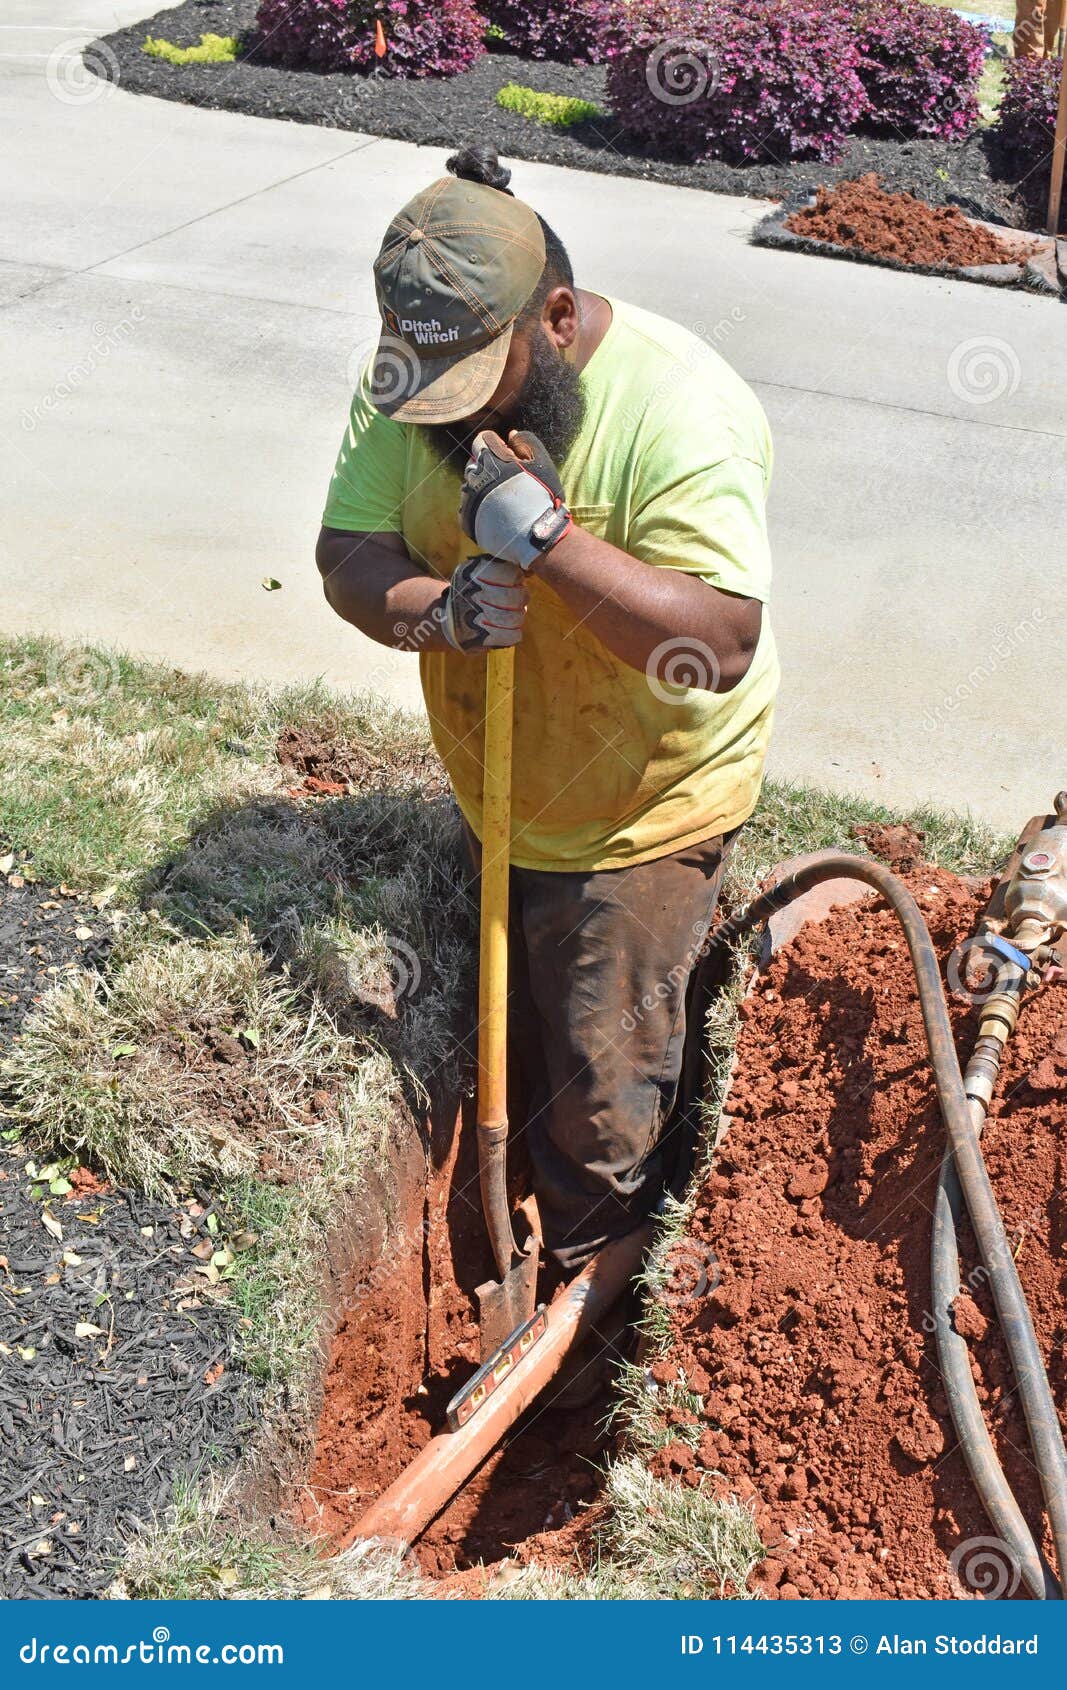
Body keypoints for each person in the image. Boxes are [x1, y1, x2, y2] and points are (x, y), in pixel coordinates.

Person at [317, 144, 779, 1274]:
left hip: (642, 809)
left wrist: (555, 548)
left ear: (556, 318)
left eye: (480, 382)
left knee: (595, 1107)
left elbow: (713, 645)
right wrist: (442, 612)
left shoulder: (679, 406)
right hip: (501, 790)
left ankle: (586, 1325)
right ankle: (500, 1227)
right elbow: (345, 555)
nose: (444, 413)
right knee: (506, 1059)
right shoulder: (412, 372)